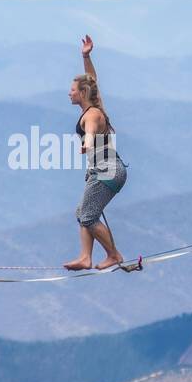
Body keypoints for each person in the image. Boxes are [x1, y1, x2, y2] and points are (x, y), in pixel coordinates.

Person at [63, 35, 128, 270]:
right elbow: (93, 81)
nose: (68, 93)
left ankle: (113, 255)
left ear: (81, 93)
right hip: (108, 170)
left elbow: (89, 131)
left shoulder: (91, 114)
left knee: (88, 216)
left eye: (72, 90)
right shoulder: (95, 104)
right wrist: (86, 56)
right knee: (82, 212)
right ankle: (85, 257)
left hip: (107, 171)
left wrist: (87, 143)